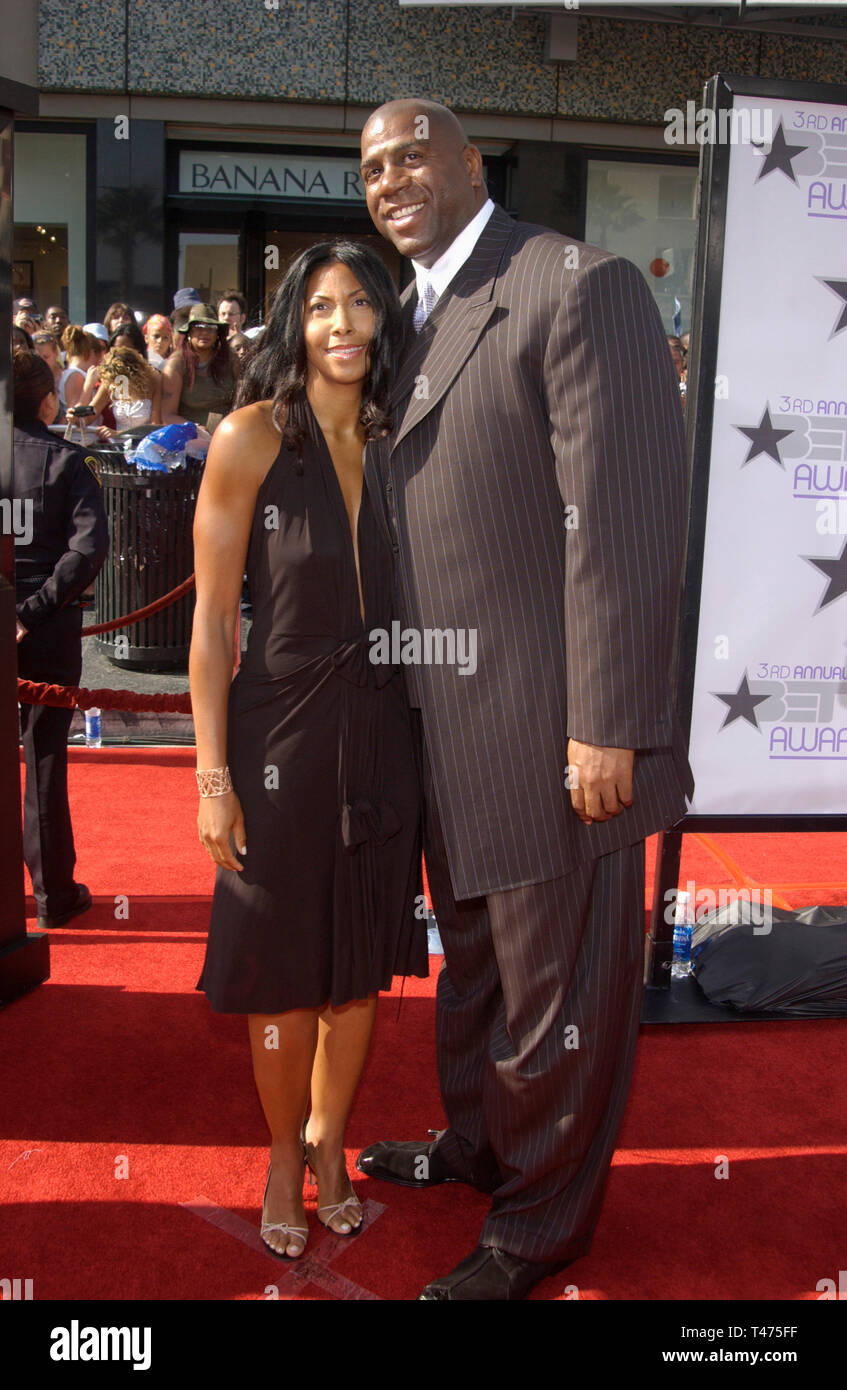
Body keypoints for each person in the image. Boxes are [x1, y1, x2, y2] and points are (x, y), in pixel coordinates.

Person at [356, 99, 693, 1301]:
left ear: (468, 162)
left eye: (410, 154)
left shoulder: (574, 284)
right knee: (478, 971)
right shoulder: (402, 310)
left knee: (558, 991)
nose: (389, 177)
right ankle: (481, 1145)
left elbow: (625, 519)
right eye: (370, 165)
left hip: (557, 728)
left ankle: (539, 1226)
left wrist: (610, 717)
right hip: (443, 720)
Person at [189, 240, 426, 1260]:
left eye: (360, 306)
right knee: (284, 968)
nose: (342, 325)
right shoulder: (249, 438)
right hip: (276, 733)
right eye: (322, 307)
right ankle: (285, 1154)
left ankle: (334, 1138)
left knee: (357, 966)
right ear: (297, 321)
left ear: (384, 320)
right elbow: (208, 623)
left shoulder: (411, 437)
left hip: (384, 731)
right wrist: (211, 776)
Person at [12, 349, 109, 929]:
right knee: (43, 758)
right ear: (49, 399)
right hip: (45, 629)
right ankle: (51, 896)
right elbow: (87, 549)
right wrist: (35, 609)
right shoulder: (70, 462)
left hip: (30, 617)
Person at [161, 303, 238, 430]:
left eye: (211, 327)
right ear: (189, 331)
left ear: (217, 333)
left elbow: (243, 401)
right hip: (188, 436)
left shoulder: (231, 359)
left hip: (227, 432)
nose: (205, 332)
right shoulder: (176, 364)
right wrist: (195, 429)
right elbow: (167, 415)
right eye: (199, 327)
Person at [69, 344, 162, 435]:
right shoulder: (110, 383)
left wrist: (118, 434)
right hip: (118, 447)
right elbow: (88, 417)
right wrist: (75, 415)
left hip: (145, 445)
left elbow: (154, 427)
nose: (118, 385)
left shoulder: (154, 381)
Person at [57, 326, 98, 414]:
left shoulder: (73, 374)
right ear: (92, 352)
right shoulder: (75, 376)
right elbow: (75, 415)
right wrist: (89, 385)